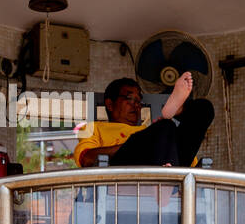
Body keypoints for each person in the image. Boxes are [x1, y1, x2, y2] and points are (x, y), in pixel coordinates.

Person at [74, 73, 214, 170]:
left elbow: (188, 158)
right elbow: (87, 159)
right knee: (164, 126)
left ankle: (177, 110)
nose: (136, 105)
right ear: (110, 104)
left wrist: (156, 139)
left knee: (204, 108)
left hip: (171, 168)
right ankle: (171, 114)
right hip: (125, 172)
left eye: (139, 101)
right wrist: (144, 144)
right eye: (129, 99)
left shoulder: (150, 130)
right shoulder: (95, 127)